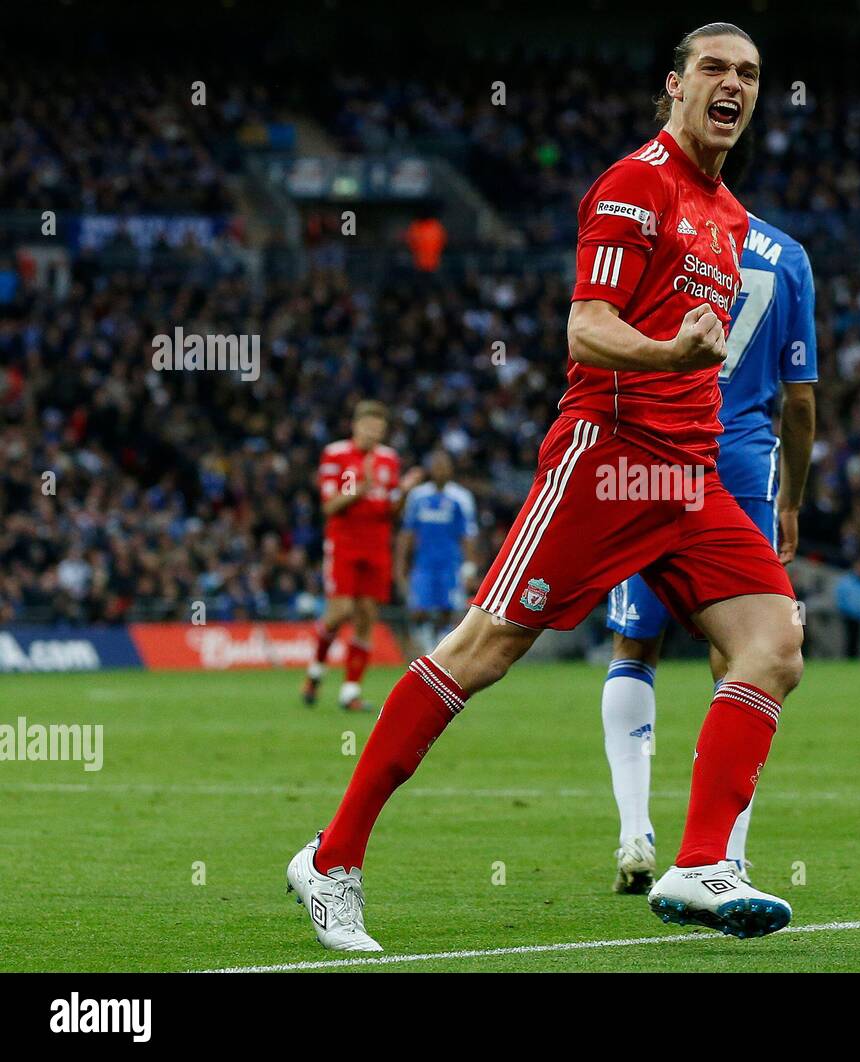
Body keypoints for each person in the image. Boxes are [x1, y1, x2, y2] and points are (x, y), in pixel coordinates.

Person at [287, 23, 805, 952]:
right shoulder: (633, 184)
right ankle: (331, 859)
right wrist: (666, 352)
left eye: (751, 74)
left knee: (773, 641)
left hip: (688, 478)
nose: (734, 85)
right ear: (676, 87)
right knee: (482, 649)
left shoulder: (729, 217)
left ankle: (698, 865)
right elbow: (586, 328)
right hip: (606, 459)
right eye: (716, 69)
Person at [601, 210, 816, 894]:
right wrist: (793, 501)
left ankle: (636, 832)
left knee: (635, 645)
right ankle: (727, 854)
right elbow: (802, 401)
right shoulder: (785, 254)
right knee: (746, 653)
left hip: (656, 454)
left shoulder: (662, 234)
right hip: (743, 462)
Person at [301, 400, 423, 712]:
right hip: (344, 543)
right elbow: (328, 506)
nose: (373, 433)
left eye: (379, 429)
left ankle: (350, 692)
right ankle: (315, 671)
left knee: (367, 615)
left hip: (377, 544)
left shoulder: (389, 459)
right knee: (341, 610)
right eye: (368, 427)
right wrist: (360, 489)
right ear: (355, 426)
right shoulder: (336, 454)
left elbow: (391, 511)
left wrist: (406, 491)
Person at [396, 450, 477, 657]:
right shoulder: (417, 496)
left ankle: (437, 652)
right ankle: (427, 648)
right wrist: (400, 566)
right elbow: (407, 533)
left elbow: (468, 536)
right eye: (436, 465)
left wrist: (469, 568)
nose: (440, 469)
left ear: (450, 469)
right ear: (430, 469)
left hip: (450, 565)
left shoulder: (461, 497)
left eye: (444, 465)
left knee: (447, 611)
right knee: (419, 611)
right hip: (423, 565)